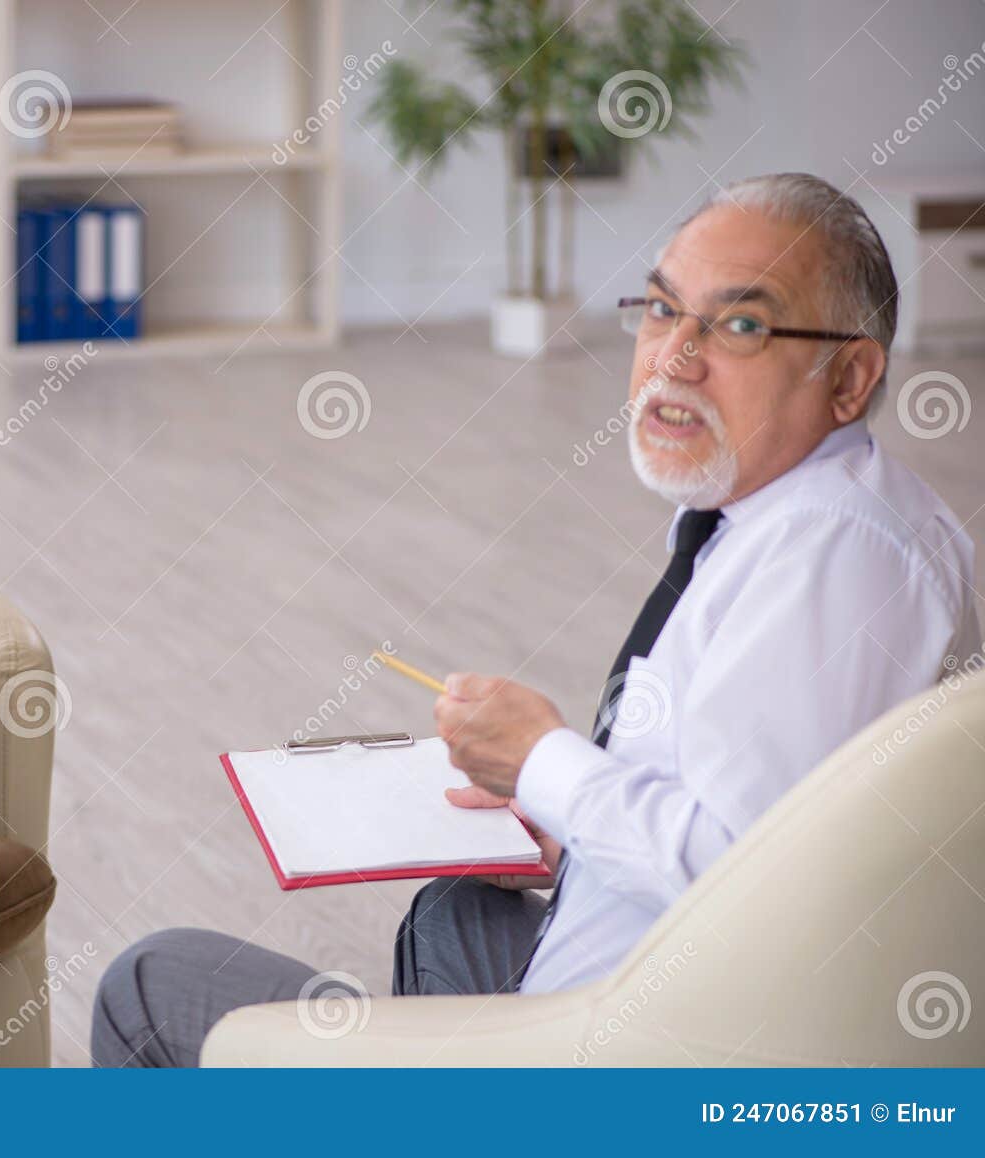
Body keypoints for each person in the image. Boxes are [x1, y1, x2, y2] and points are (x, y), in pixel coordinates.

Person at [90, 172, 981, 1067]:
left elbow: (746, 893)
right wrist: (560, 823)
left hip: (635, 1058)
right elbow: (764, 809)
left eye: (741, 325)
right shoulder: (806, 511)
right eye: (663, 310)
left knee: (149, 986)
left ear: (849, 377)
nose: (674, 358)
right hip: (646, 982)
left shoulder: (832, 557)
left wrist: (545, 762)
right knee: (456, 907)